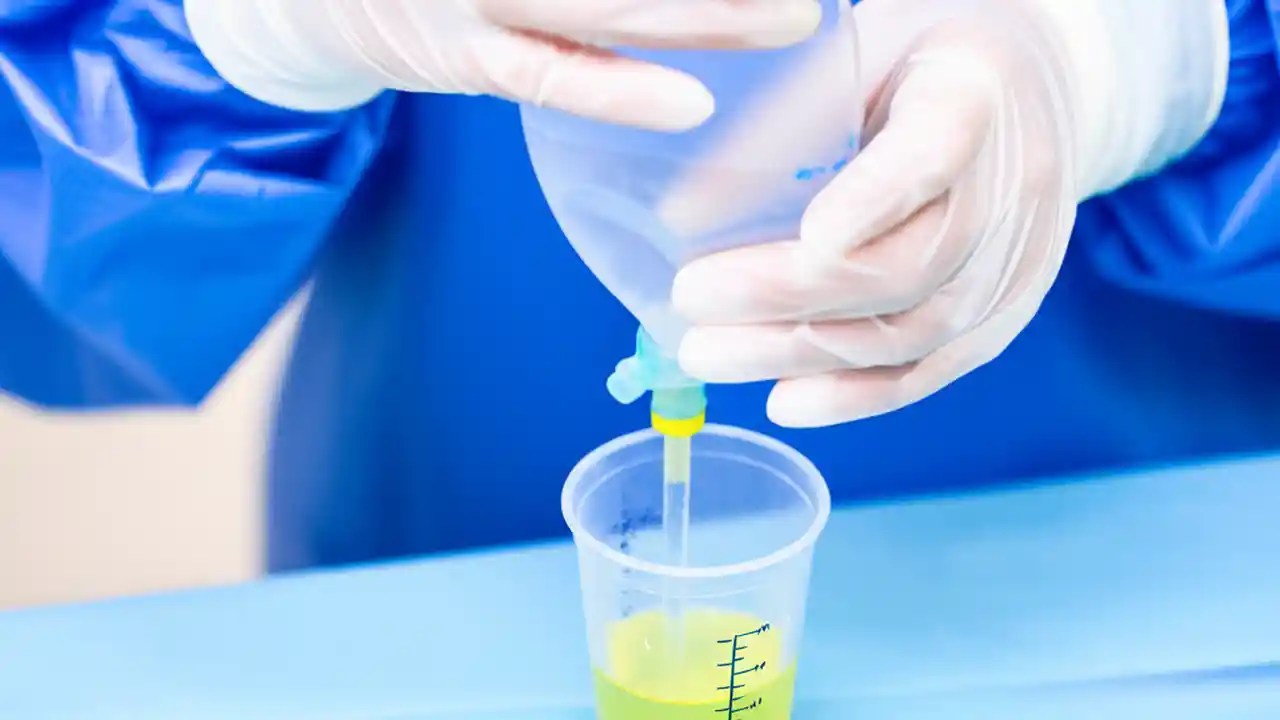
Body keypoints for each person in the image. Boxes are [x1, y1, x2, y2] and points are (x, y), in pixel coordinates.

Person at [1, 0, 1279, 571]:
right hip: (456, 549)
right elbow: (38, 220)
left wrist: (1151, 54)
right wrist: (245, 24)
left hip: (1144, 549)